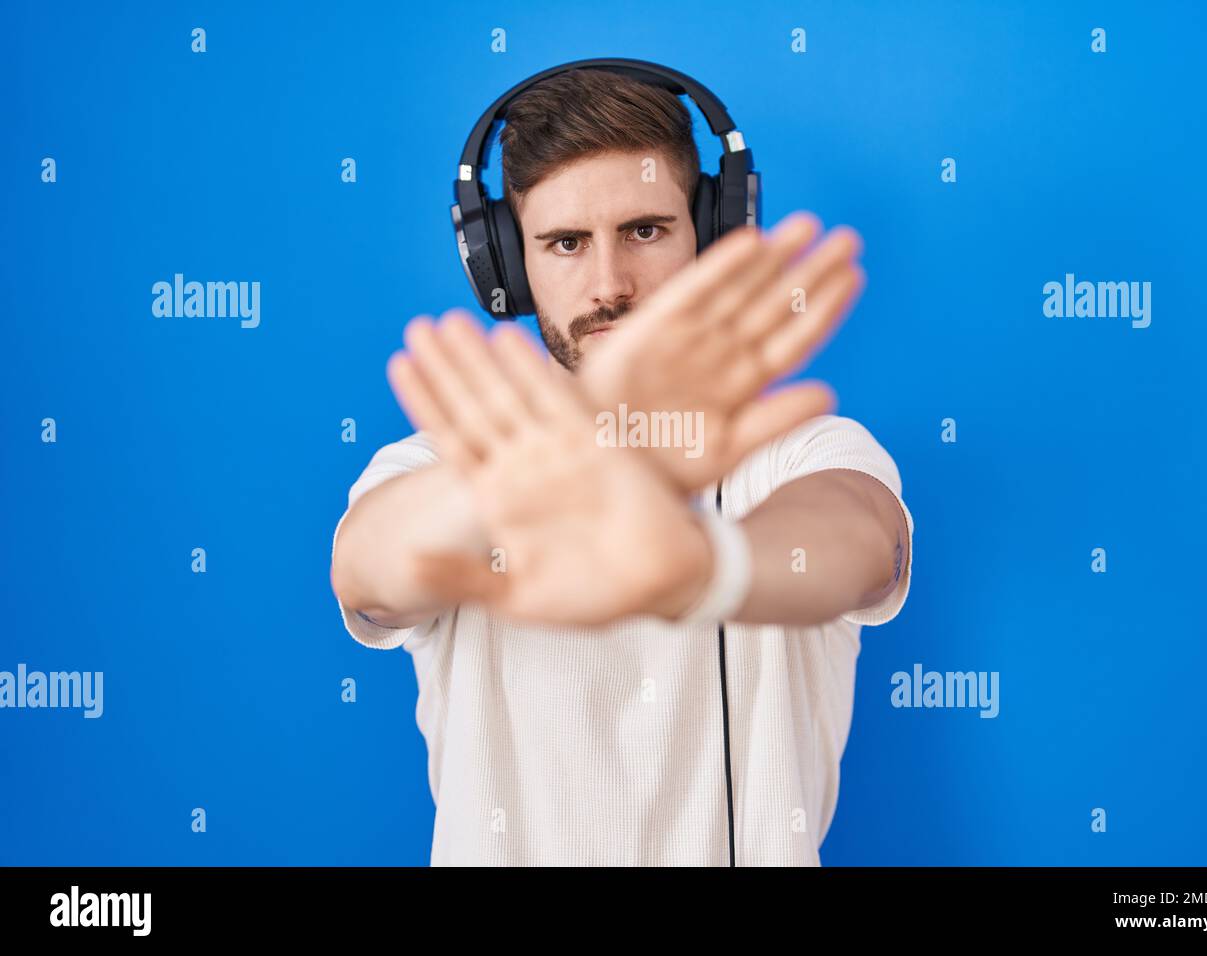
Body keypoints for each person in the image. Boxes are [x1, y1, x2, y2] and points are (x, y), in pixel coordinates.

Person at [329, 66, 914, 866]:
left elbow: (861, 546)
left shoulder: (805, 449)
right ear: (507, 264)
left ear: (710, 235)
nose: (609, 286)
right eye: (566, 243)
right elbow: (366, 569)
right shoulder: (440, 465)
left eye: (644, 231)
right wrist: (582, 437)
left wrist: (709, 568)